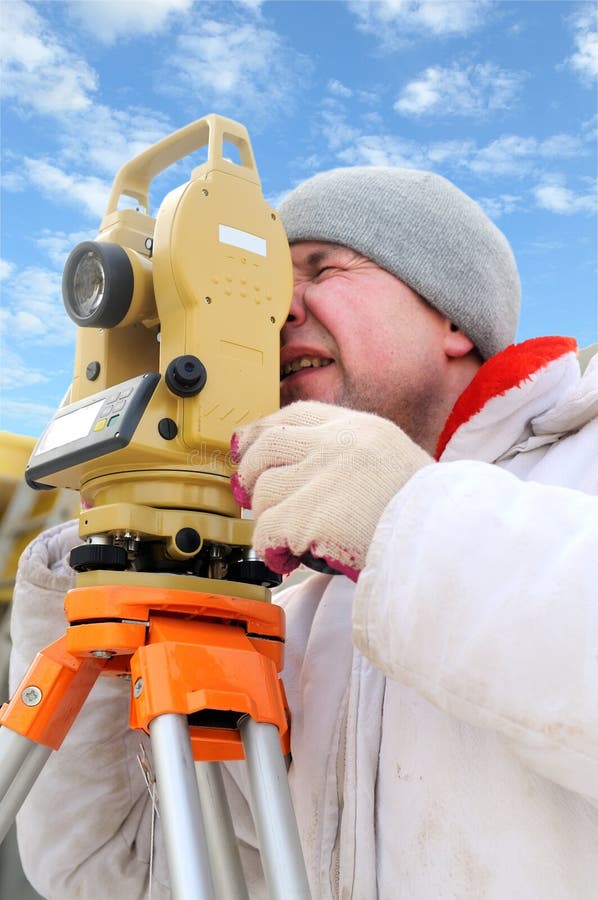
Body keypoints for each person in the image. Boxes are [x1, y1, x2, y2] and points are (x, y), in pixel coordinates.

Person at [9, 166, 598, 899]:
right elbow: (124, 873)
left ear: (452, 316)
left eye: (320, 269)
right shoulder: (296, 606)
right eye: (257, 282)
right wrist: (101, 577)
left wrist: (402, 521)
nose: (275, 311)